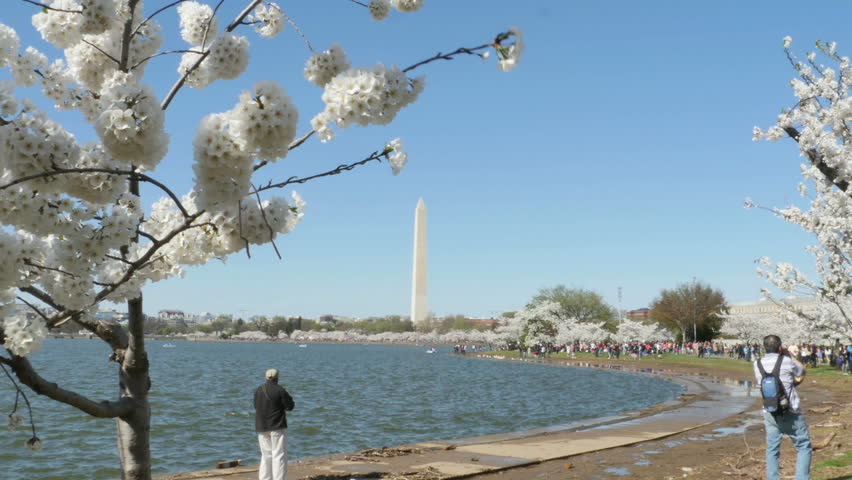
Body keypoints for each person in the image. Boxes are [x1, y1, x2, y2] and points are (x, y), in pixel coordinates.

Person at [754, 335, 812, 480]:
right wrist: (789, 354)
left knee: (772, 449)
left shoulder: (757, 363)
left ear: (764, 347)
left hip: (769, 410)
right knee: (803, 446)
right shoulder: (786, 361)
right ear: (780, 347)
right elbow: (801, 371)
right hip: (791, 410)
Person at [254, 368, 295, 480]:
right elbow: (290, 406)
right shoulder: (280, 390)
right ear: (277, 378)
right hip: (277, 427)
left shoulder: (258, 390)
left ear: (265, 378)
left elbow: (255, 406)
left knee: (266, 456)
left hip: (262, 427)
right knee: (279, 455)